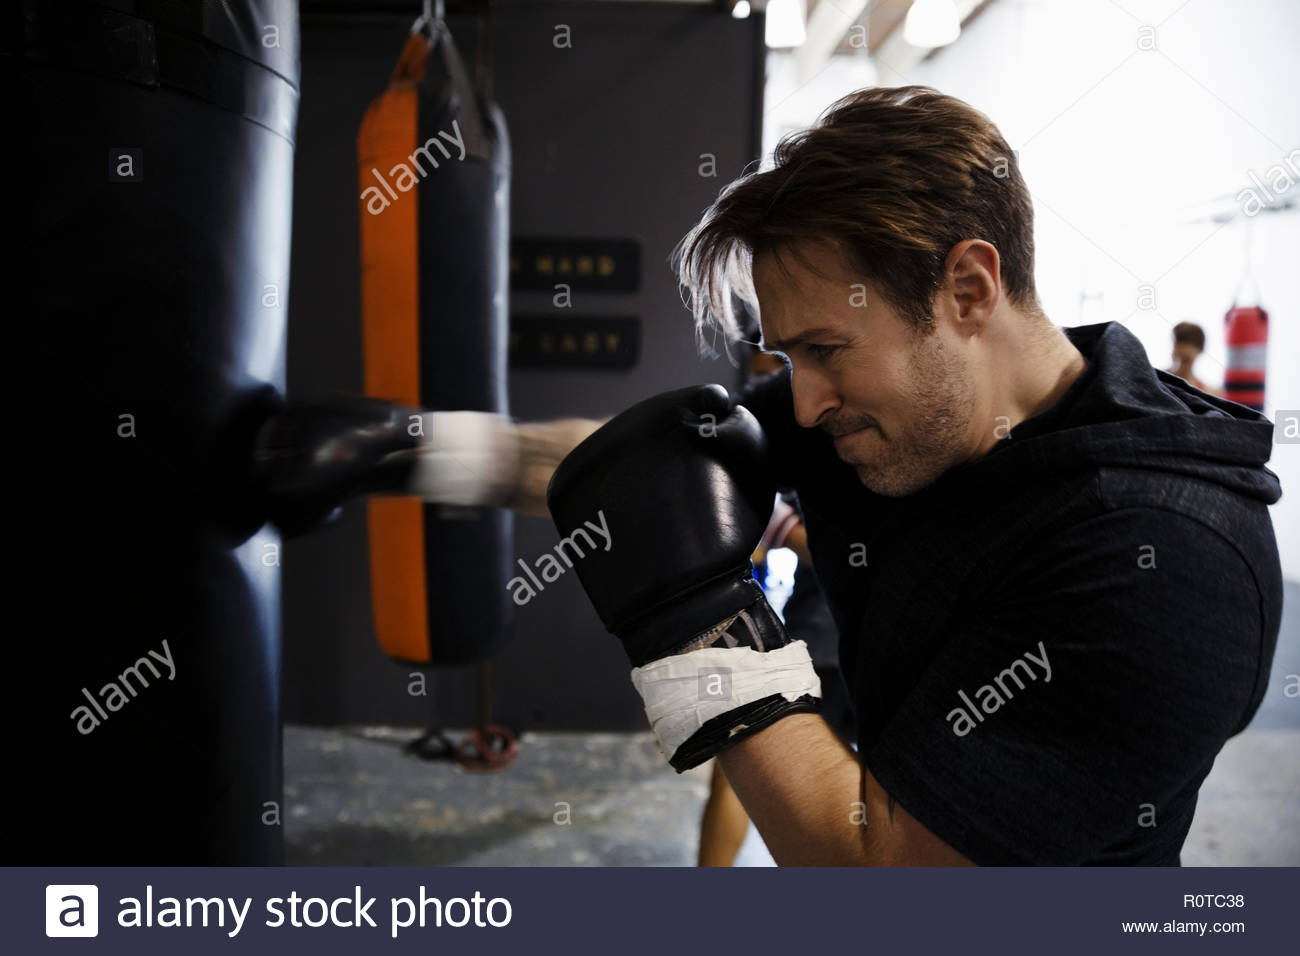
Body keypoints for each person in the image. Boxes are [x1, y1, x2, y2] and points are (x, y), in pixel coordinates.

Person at [261, 86, 1282, 866]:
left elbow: (886, 884)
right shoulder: (890, 414)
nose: (800, 403)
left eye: (828, 349)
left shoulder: (1164, 556)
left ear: (968, 289)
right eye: (788, 356)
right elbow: (640, 469)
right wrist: (402, 450)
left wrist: (700, 627)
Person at [697, 349, 854, 867]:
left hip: (849, 641)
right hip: (829, 634)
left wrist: (786, 530)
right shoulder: (806, 414)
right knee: (741, 763)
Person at [1167, 321, 1223, 397]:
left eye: (1186, 360)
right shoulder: (1156, 381)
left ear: (1199, 352)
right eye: (1177, 357)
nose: (1180, 366)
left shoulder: (1209, 394)